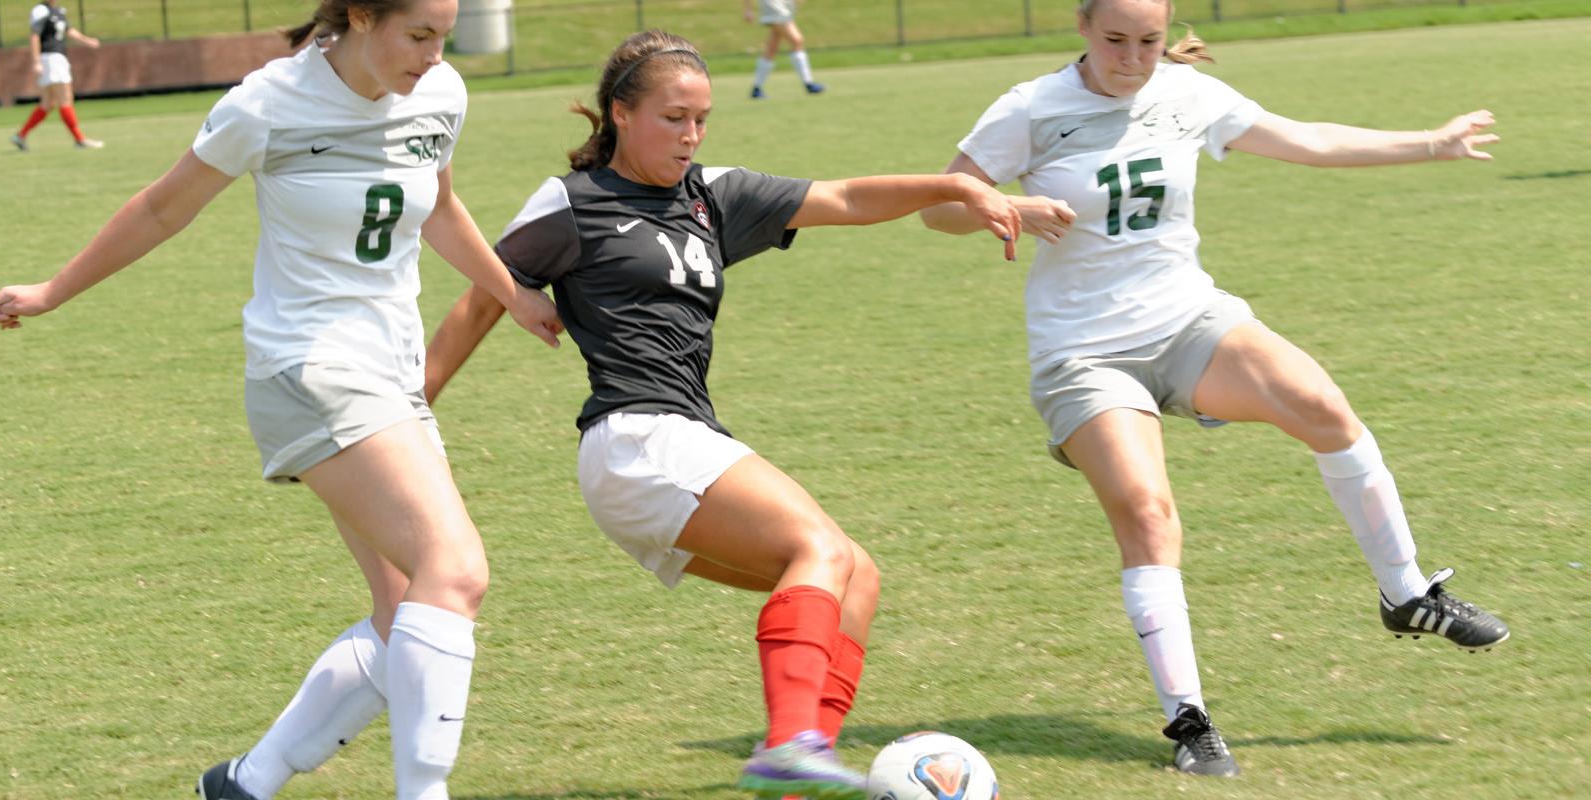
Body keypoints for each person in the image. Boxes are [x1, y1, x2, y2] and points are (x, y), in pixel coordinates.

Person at [0, 0, 564, 797]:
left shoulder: (441, 93)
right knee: (454, 572)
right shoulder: (268, 102)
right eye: (419, 35)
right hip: (310, 367)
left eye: (445, 38)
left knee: (407, 614)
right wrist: (52, 290)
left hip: (389, 374)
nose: (434, 56)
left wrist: (513, 294)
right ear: (361, 16)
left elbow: (442, 209)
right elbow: (163, 206)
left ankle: (246, 782)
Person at [917, 0, 1511, 778]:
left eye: (1150, 42)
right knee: (1150, 515)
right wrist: (1006, 207)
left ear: (1168, 35)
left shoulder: (1187, 95)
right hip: (1084, 353)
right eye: (1115, 41)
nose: (1131, 59)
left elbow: (1308, 140)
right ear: (1083, 28)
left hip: (1190, 322)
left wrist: (1431, 143)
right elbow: (936, 207)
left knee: (1326, 409)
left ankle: (1406, 592)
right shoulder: (1031, 107)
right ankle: (1190, 723)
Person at [423, 30, 1020, 800]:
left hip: (678, 447)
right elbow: (481, 298)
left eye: (701, 118)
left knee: (855, 578)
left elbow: (842, 198)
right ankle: (788, 746)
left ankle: (799, 770)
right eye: (674, 118)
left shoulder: (712, 197)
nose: (691, 134)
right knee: (819, 550)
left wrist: (953, 188)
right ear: (621, 115)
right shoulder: (574, 202)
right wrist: (413, 408)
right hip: (638, 437)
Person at [10, 0, 104, 150]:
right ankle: (80, 139)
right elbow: (34, 36)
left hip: (57, 59)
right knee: (65, 99)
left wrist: (87, 40)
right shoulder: (40, 10)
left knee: (48, 103)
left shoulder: (58, 11)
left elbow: (68, 30)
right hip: (51, 58)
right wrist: (36, 61)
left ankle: (20, 136)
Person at [742, 0, 822, 98]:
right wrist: (747, 9)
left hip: (784, 4)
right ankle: (808, 84)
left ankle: (756, 89)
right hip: (773, 5)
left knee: (772, 48)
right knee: (797, 40)